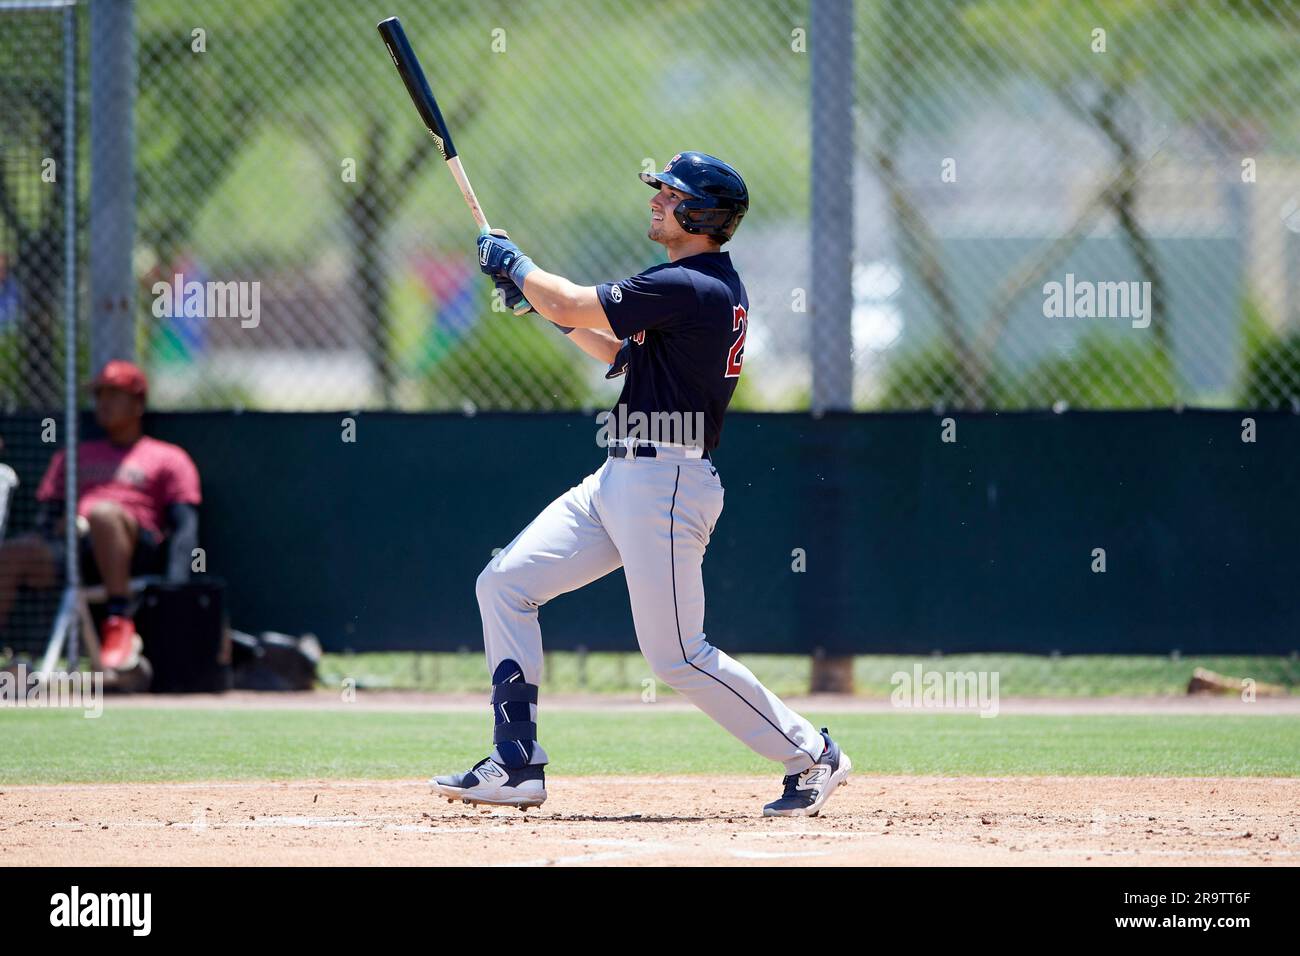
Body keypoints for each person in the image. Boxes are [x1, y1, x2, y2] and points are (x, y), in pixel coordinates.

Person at [431, 152, 852, 817]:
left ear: (703, 214)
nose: (657, 199)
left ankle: (812, 753)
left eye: (670, 193)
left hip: (668, 480)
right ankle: (515, 763)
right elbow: (618, 351)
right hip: (622, 477)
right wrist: (540, 303)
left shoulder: (695, 284)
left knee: (678, 656)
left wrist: (518, 267)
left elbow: (572, 298)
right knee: (505, 584)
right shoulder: (696, 286)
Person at [0, 360, 201, 669]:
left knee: (104, 514)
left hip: (134, 549)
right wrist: (57, 526)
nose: (103, 403)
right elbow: (45, 519)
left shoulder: (169, 458)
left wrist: (176, 588)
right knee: (11, 554)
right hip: (75, 549)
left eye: (115, 394)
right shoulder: (71, 455)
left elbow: (185, 528)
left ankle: (119, 620)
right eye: (99, 395)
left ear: (138, 404)